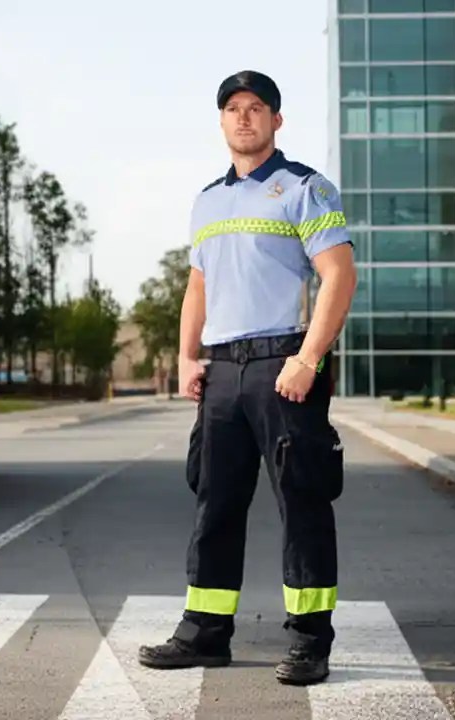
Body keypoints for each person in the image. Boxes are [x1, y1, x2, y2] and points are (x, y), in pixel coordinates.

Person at [138, 70, 357, 686]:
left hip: (283, 363)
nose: (244, 118)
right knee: (215, 502)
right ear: (222, 121)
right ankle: (204, 633)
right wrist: (187, 358)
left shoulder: (303, 188)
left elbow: (338, 276)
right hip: (222, 371)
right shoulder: (207, 201)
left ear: (276, 120)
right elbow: (198, 286)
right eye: (233, 108)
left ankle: (310, 641)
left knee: (303, 500)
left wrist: (308, 359)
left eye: (256, 108)